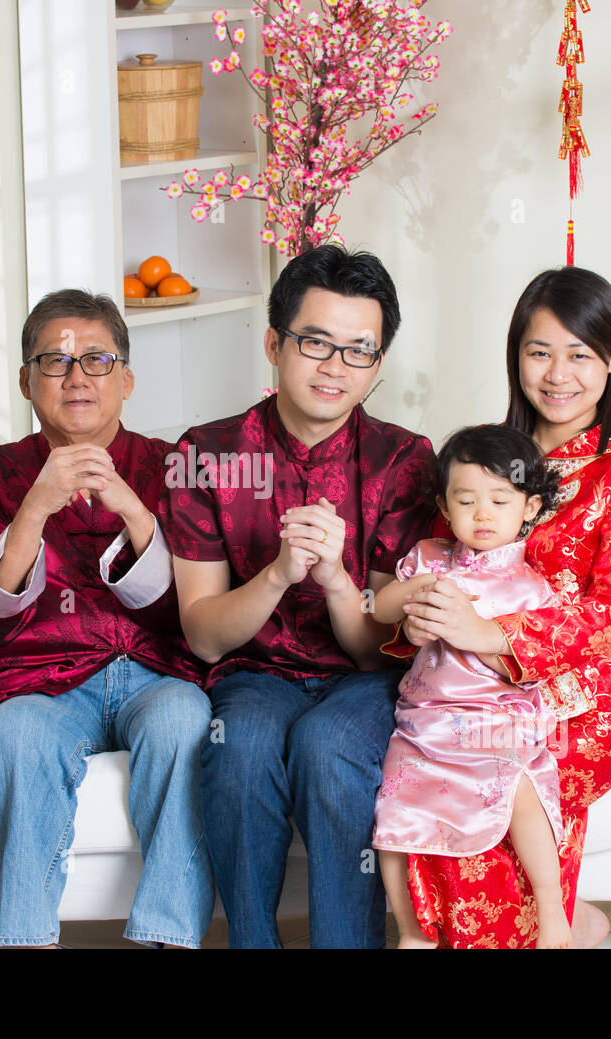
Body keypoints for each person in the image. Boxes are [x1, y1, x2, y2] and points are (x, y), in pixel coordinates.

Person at [164, 245, 435, 948]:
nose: (334, 368)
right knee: (242, 746)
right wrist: (280, 572)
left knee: (327, 745)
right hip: (253, 673)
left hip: (362, 681)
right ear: (274, 343)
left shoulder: (404, 459)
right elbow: (203, 633)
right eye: (316, 343)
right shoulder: (207, 454)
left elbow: (382, 652)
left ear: (378, 365)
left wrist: (338, 579)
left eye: (358, 351)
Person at [396, 266, 611, 948]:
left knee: (493, 792)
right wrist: (419, 614)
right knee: (416, 764)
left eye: (580, 353)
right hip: (461, 683)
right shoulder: (488, 451)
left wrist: (490, 632)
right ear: (515, 353)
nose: (558, 374)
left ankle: (552, 927)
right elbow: (439, 555)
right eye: (539, 351)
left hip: (582, 698)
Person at [0, 289, 213, 949]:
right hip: (41, 680)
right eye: (55, 362)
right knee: (13, 738)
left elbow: (197, 604)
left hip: (158, 671)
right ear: (25, 381)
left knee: (185, 719)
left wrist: (133, 508)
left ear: (125, 379)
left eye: (96, 360)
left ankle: (167, 938)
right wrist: (33, 507)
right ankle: (27, 939)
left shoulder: (175, 465)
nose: (77, 378)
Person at [371, 424, 572, 948]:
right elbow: (379, 608)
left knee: (521, 785)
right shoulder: (429, 558)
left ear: (528, 508)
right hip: (427, 722)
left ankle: (552, 910)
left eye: (500, 500)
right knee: (392, 808)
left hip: (496, 718)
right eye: (466, 499)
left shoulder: (530, 586)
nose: (482, 514)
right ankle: (411, 930)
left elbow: (532, 665)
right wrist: (416, 594)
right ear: (445, 504)